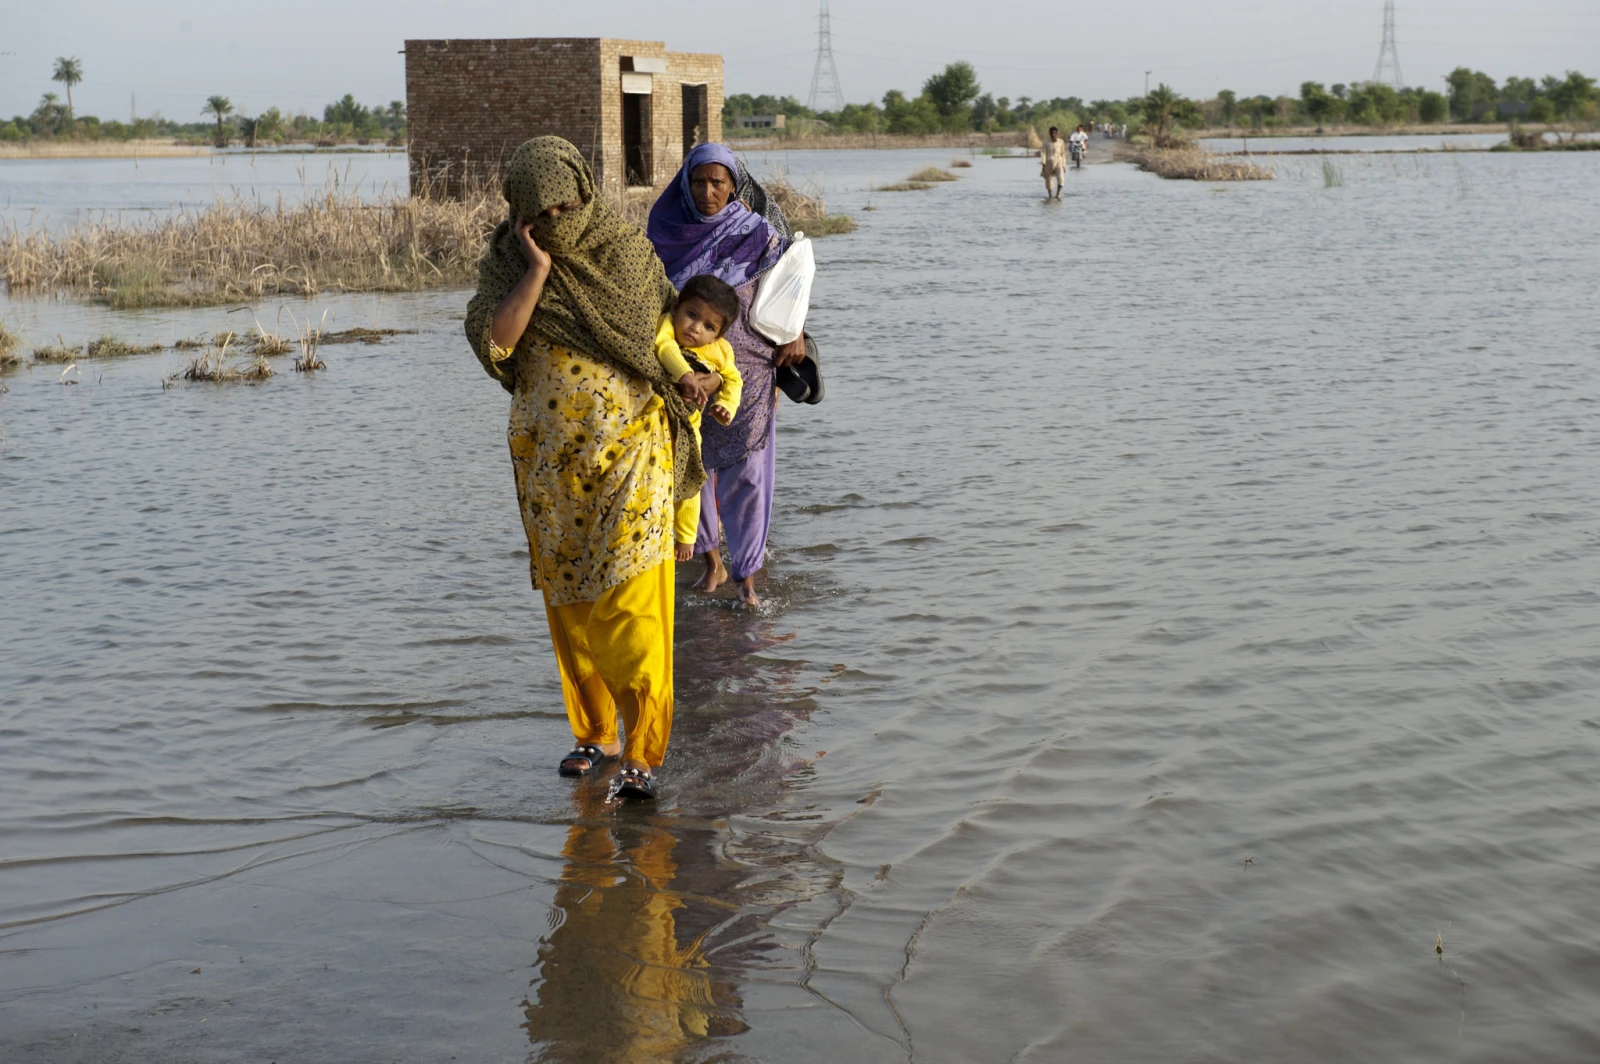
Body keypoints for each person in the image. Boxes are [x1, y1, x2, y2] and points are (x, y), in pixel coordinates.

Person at [465, 136, 702, 801]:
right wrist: (536, 271)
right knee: (573, 605)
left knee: (629, 605)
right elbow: (498, 343)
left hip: (633, 456)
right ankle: (594, 734)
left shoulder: (626, 253)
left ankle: (643, 751)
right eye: (540, 213)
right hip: (549, 467)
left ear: (585, 193)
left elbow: (664, 337)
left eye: (565, 205)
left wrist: (699, 381)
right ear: (518, 213)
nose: (555, 221)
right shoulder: (506, 265)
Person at [646, 142, 806, 607]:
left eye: (718, 182)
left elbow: (786, 293)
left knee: (749, 474)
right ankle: (711, 560)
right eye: (698, 181)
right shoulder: (663, 231)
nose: (708, 191)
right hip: (683, 373)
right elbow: (651, 304)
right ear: (685, 184)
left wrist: (796, 334)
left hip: (750, 374)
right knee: (688, 468)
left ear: (735, 187)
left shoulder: (757, 233)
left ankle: (748, 576)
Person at [653, 274, 744, 564]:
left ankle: (686, 537)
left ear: (718, 335)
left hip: (690, 427)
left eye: (708, 326)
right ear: (677, 306)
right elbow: (663, 347)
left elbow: (734, 380)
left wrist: (726, 406)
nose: (695, 328)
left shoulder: (719, 350)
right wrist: (686, 375)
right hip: (656, 420)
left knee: (690, 481)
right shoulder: (665, 324)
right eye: (691, 315)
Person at [1041, 126, 1067, 199]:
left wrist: (1064, 165)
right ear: (1049, 134)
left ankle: (1057, 194)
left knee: (1061, 178)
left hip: (1058, 162)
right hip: (1048, 162)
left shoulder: (1061, 142)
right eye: (1052, 133)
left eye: (1054, 133)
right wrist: (1043, 165)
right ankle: (1050, 196)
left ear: (1057, 133)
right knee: (1048, 180)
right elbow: (1043, 153)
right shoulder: (1046, 142)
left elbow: (1063, 154)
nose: (1053, 134)